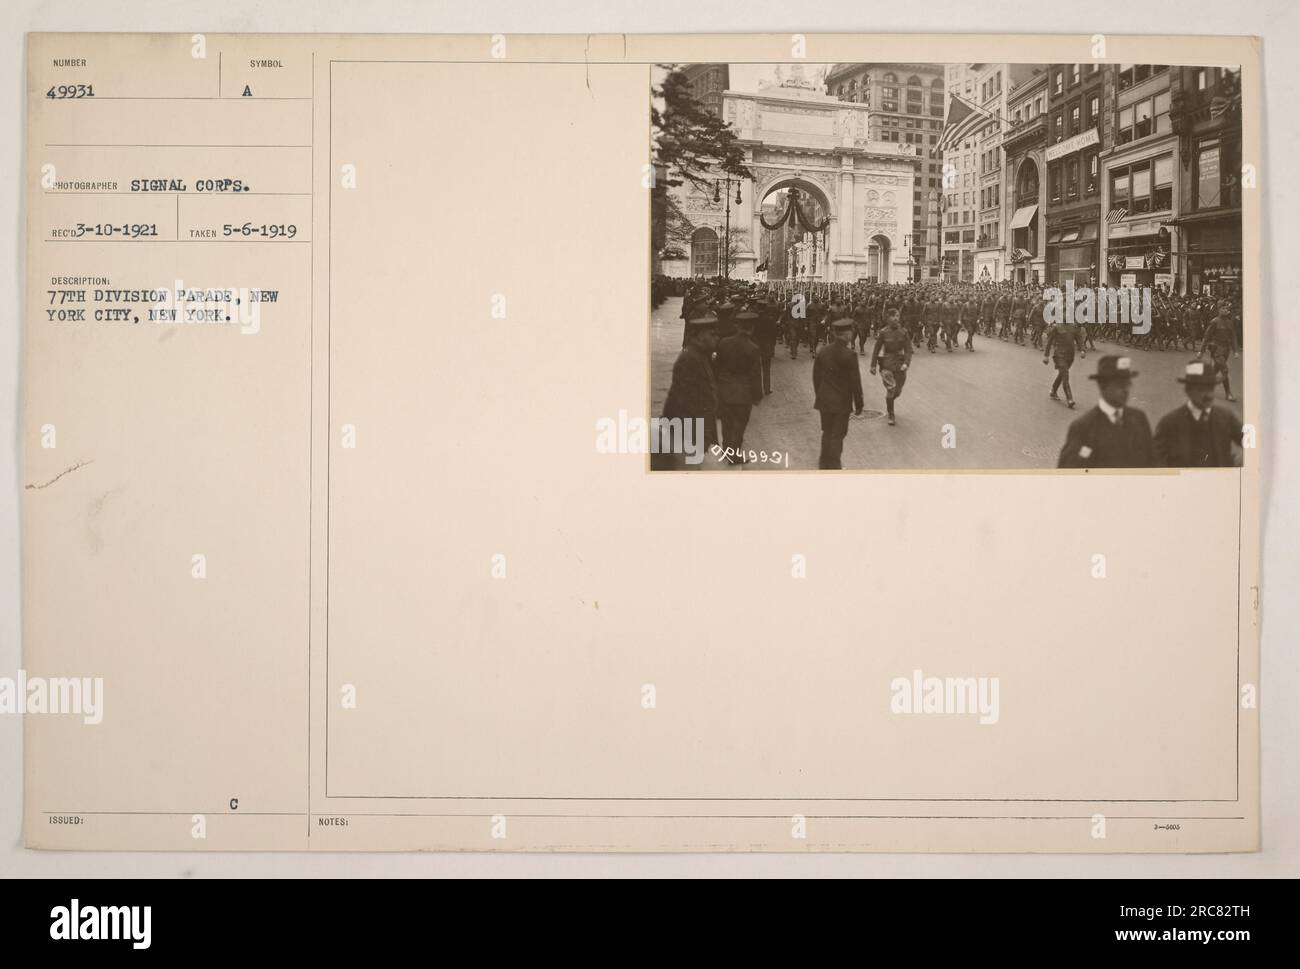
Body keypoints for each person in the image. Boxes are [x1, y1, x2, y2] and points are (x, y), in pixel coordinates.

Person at [1057, 355, 1153, 468]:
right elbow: (1069, 473)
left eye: (1127, 384)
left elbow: (1153, 461)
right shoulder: (1083, 428)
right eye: (1120, 385)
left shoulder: (1139, 418)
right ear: (1103, 386)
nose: (1126, 390)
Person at [1152, 360, 1244, 467]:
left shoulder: (1225, 417)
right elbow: (1155, 461)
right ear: (1188, 391)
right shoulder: (1169, 423)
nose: (1208, 395)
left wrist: (1243, 460)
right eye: (1201, 389)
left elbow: (1252, 441)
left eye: (1211, 388)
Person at [658, 311, 720, 470]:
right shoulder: (690, 359)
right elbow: (686, 401)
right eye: (712, 334)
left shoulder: (700, 355)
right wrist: (700, 436)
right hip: (685, 432)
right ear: (700, 335)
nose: (716, 338)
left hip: (692, 431)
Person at [812, 311, 864, 469]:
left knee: (827, 432)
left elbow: (816, 378)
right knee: (838, 436)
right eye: (850, 331)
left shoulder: (823, 351)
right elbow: (855, 383)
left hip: (824, 400)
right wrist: (859, 404)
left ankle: (824, 464)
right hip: (841, 402)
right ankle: (834, 467)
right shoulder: (849, 355)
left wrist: (820, 394)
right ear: (847, 334)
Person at [870, 307, 913, 427]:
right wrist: (873, 365)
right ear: (888, 318)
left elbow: (909, 350)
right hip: (887, 363)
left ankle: (890, 402)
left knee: (897, 391)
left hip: (900, 364)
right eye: (893, 316)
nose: (895, 318)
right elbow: (877, 349)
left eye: (897, 316)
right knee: (891, 388)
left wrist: (906, 363)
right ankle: (891, 414)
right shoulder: (883, 332)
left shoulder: (904, 332)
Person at [1042, 316, 1086, 409]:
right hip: (1059, 355)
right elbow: (1049, 342)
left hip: (1070, 356)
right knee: (1065, 375)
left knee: (1062, 374)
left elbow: (1079, 339)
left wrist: (1082, 350)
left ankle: (1053, 390)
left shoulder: (1074, 327)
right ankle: (1070, 399)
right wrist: (1046, 356)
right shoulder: (1057, 327)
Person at [1196, 310, 1239, 402]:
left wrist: (1235, 350)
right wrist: (1201, 351)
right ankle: (1228, 394)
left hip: (1226, 349)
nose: (1225, 310)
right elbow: (1206, 337)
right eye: (1223, 308)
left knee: (1215, 370)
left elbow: (1233, 337)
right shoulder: (1214, 322)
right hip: (1216, 349)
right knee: (1224, 370)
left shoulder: (1230, 323)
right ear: (1219, 309)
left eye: (1227, 308)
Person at [751, 297, 780, 396]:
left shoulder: (753, 318)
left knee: (755, 369)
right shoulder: (770, 319)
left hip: (755, 346)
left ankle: (756, 390)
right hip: (767, 346)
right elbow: (774, 335)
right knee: (766, 369)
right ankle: (767, 389)